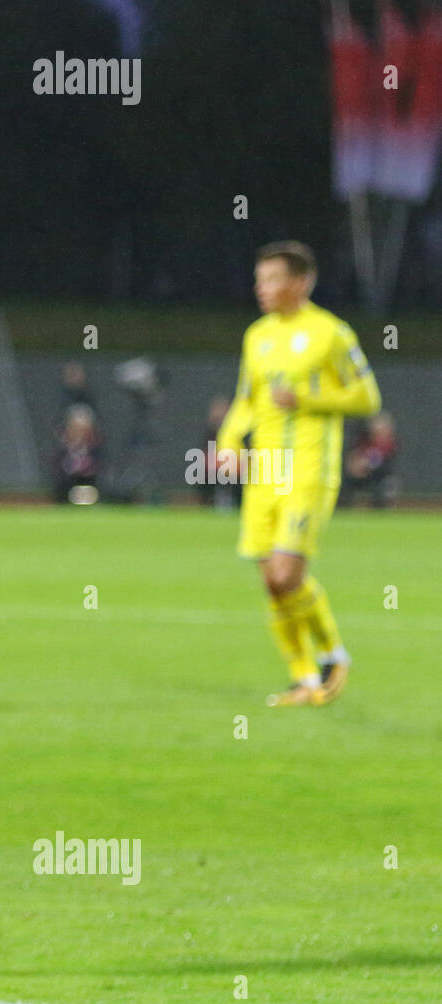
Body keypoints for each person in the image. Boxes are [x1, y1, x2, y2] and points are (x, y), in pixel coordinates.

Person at [215, 242, 380, 706]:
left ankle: (333, 653)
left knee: (287, 575)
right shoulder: (257, 335)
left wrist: (310, 400)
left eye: (270, 279)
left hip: (308, 470)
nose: (260, 288)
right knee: (271, 581)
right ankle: (304, 679)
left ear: (300, 282)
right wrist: (227, 444)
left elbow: (368, 398)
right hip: (263, 471)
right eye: (259, 279)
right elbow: (245, 398)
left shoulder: (331, 333)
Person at [344, 411, 397, 508]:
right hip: (359, 474)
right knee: (343, 482)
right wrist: (353, 465)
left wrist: (366, 465)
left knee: (384, 487)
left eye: (381, 425)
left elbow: (381, 459)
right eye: (376, 425)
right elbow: (354, 454)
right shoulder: (364, 440)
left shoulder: (389, 442)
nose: (377, 428)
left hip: (379, 476)